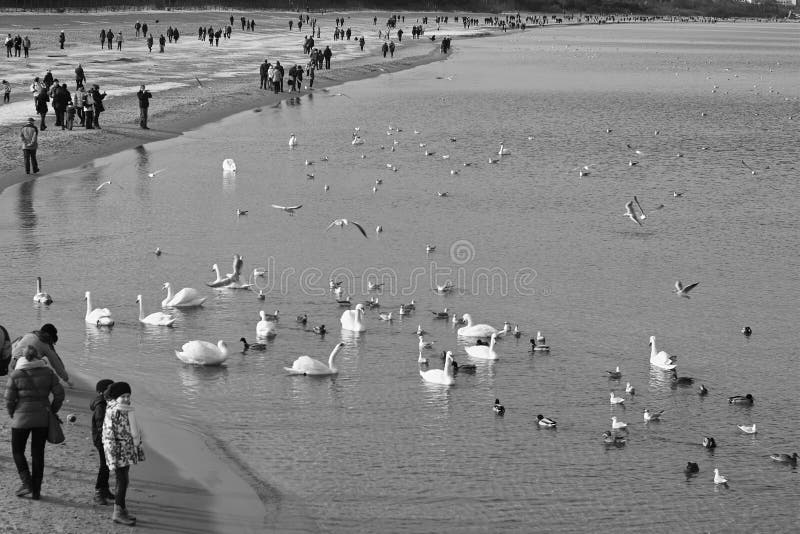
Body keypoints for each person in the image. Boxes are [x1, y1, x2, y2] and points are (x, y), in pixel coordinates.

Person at [4, 345, 65, 500]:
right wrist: (52, 410)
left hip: (21, 418)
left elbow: (9, 399)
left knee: (17, 451)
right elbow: (60, 394)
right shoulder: (48, 372)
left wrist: (12, 413)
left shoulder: (16, 374)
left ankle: (26, 483)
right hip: (42, 418)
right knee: (38, 454)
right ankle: (36, 491)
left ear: (23, 357)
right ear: (38, 357)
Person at [102, 381, 144, 525]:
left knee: (125, 479)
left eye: (128, 395)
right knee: (122, 481)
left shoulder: (126, 409)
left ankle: (122, 509)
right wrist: (112, 458)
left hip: (127, 450)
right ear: (115, 397)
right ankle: (117, 513)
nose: (126, 399)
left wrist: (138, 445)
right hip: (118, 452)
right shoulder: (114, 411)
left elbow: (133, 430)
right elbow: (108, 437)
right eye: (123, 396)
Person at [91, 379, 115, 505]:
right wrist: (106, 439)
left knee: (107, 465)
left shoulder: (107, 402)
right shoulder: (101, 404)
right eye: (110, 388)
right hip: (102, 439)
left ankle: (105, 490)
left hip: (105, 438)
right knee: (104, 466)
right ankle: (99, 492)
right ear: (102, 391)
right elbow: (101, 423)